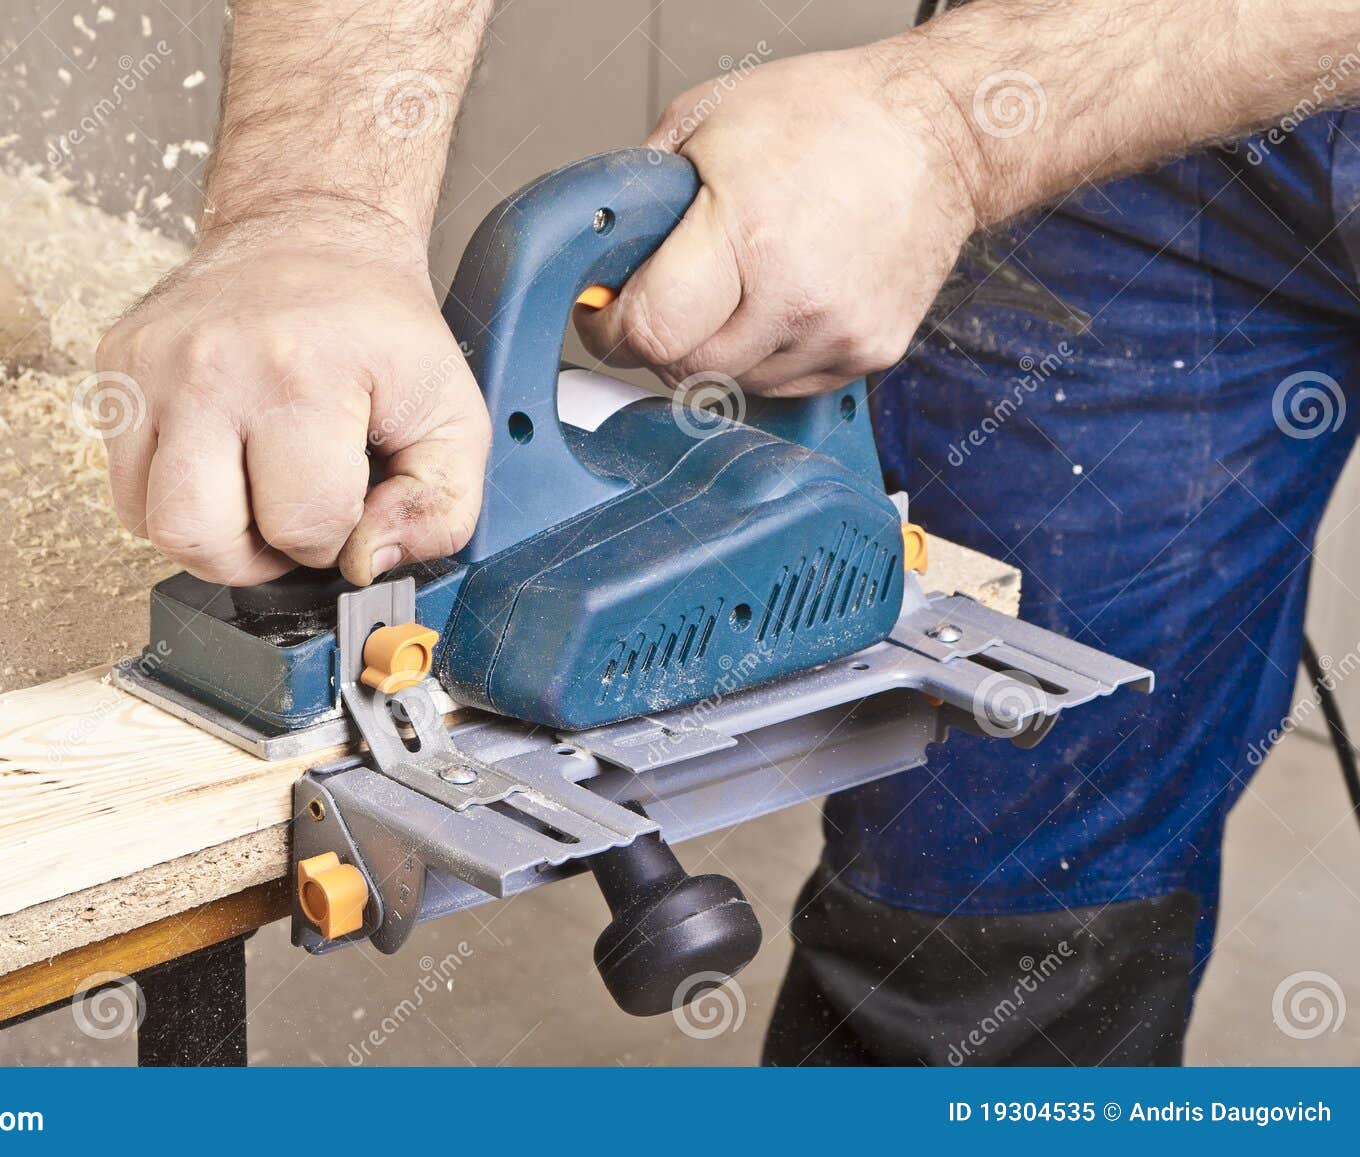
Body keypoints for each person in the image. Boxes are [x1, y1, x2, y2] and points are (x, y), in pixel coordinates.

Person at [96, 0, 1360, 1064]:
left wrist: (959, 124)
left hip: (1073, 75)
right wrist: (310, 208)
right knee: (997, 891)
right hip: (1116, 78)